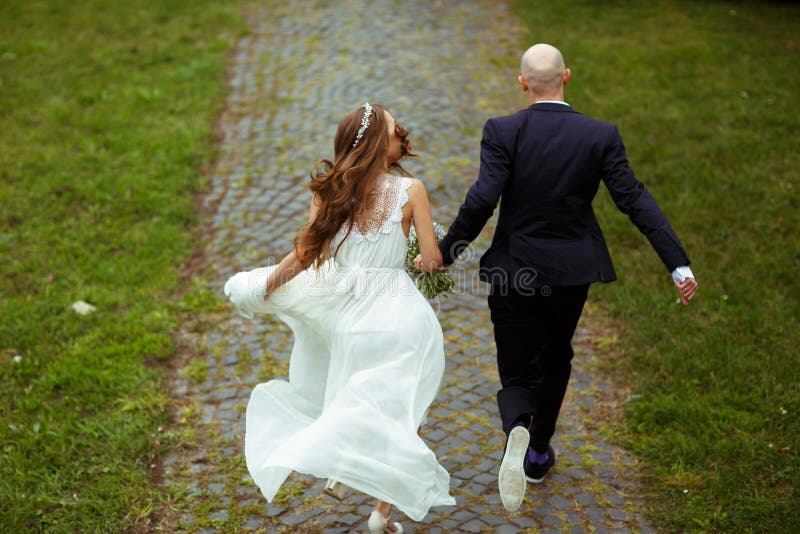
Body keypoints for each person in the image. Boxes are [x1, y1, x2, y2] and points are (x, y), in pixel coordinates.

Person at [419, 43, 698, 512]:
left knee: (516, 362)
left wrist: (448, 252)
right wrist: (677, 263)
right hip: (571, 272)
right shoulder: (599, 135)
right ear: (566, 76)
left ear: (523, 82)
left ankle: (517, 428)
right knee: (557, 353)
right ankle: (538, 451)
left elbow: (483, 197)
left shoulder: (503, 131)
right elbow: (634, 199)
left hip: (514, 269)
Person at [224, 103, 455, 533]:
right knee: (403, 410)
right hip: (399, 313)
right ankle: (380, 513)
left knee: (353, 391)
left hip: (351, 316)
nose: (400, 134)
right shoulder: (413, 192)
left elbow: (304, 256)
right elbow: (431, 260)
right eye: (392, 130)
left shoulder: (328, 193)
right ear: (376, 144)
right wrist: (425, 255)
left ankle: (342, 463)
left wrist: (266, 288)